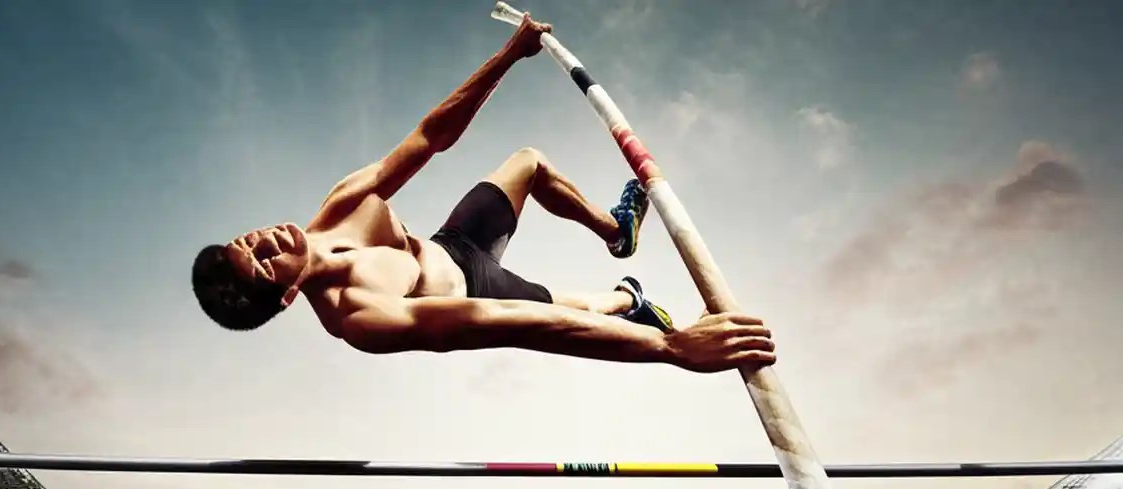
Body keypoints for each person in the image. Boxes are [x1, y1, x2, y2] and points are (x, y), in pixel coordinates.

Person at [190, 14, 775, 374]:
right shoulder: (361, 318)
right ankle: (631, 300)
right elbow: (507, 321)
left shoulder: (340, 208)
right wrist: (673, 350)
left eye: (251, 239)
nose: (267, 240)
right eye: (265, 261)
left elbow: (427, 138)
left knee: (529, 162)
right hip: (480, 287)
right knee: (589, 306)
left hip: (455, 242)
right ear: (288, 294)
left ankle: (616, 233)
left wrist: (507, 58)